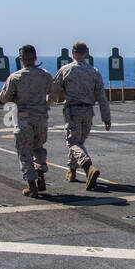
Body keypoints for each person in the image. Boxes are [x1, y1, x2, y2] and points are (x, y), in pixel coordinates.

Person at [49, 41, 111, 191]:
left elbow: (54, 90)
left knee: (73, 143)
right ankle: (72, 170)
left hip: (73, 110)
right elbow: (102, 97)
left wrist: (46, 106)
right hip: (88, 111)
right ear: (86, 53)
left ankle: (88, 167)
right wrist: (106, 117)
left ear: (73, 53)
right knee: (79, 142)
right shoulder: (94, 72)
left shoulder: (66, 70)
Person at [0, 44, 52, 197]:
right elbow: (52, 91)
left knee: (24, 152)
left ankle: (32, 185)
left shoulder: (15, 77)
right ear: (35, 58)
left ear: (21, 59)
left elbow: (4, 98)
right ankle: (41, 176)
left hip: (24, 119)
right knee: (39, 148)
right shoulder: (45, 75)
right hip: (41, 118)